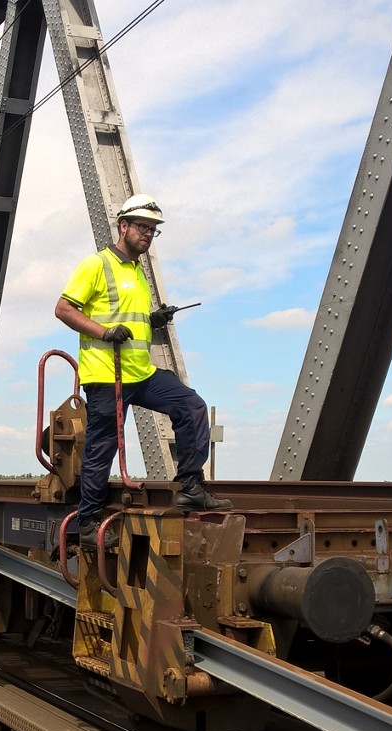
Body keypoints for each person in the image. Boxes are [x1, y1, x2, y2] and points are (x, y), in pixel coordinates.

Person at [54, 193, 231, 551]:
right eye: (142, 227)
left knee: (191, 407)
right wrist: (104, 333)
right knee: (102, 446)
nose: (148, 235)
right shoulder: (96, 265)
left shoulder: (137, 272)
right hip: (106, 374)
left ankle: (191, 487)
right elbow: (63, 309)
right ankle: (88, 524)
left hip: (140, 373)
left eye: (153, 230)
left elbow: (128, 322)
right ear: (124, 226)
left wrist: (154, 321)